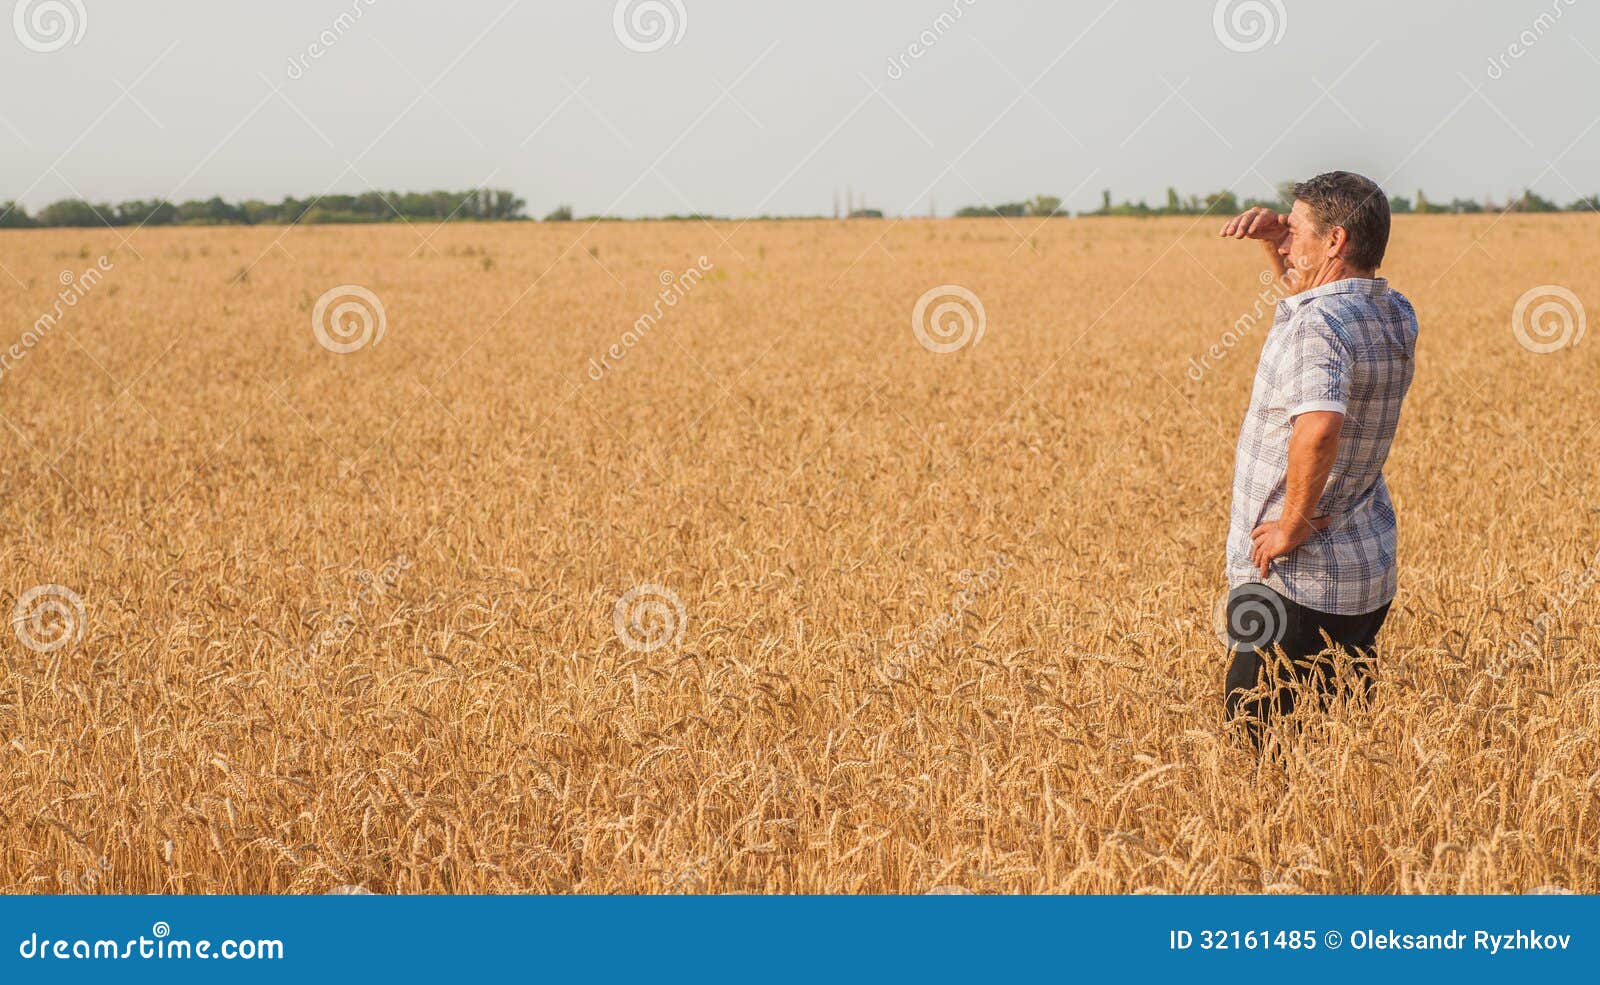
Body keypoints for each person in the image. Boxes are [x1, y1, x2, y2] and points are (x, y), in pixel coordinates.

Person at [1217, 171, 1418, 749]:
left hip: (1292, 578)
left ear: (1334, 241)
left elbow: (1320, 424)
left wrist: (1291, 525)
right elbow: (1323, 305)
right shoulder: (1394, 311)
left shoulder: (1319, 325)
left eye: (1296, 229)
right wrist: (1276, 248)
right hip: (1362, 569)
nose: (1286, 237)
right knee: (1336, 750)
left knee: (1252, 746)